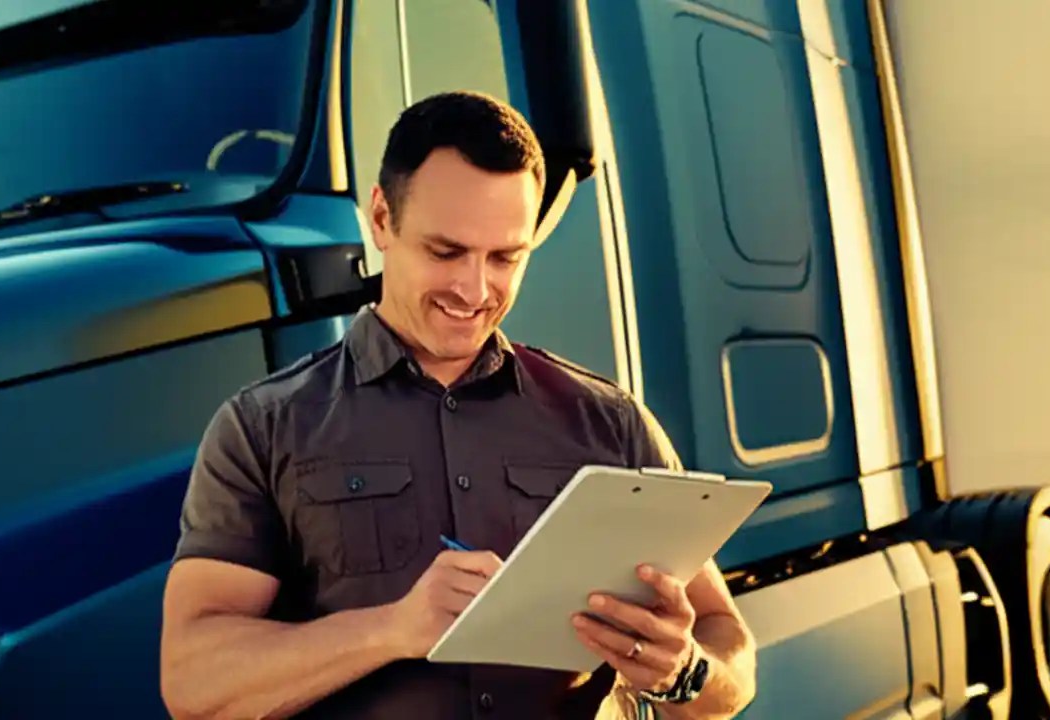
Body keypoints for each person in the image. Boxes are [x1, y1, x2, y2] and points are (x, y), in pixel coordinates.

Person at [159, 91, 757, 720]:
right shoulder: (262, 428)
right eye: (446, 252)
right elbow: (195, 687)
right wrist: (391, 629)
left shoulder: (610, 422)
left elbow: (731, 657)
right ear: (382, 219)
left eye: (506, 257)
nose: (475, 290)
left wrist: (683, 670)